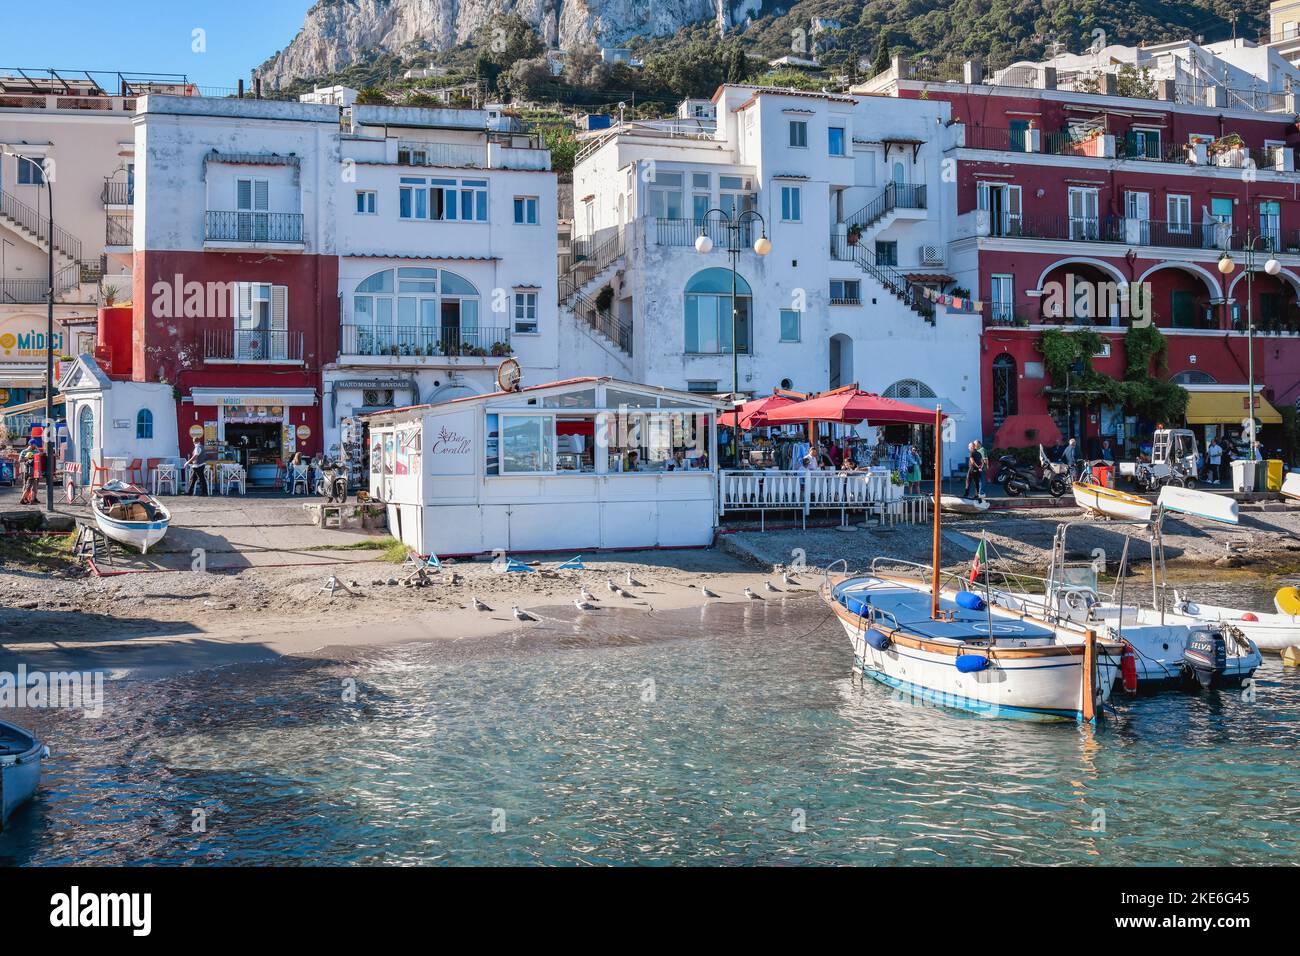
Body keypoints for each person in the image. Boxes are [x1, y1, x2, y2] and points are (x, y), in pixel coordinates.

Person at [17, 439, 39, 505]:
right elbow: (20, 460)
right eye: (35, 444)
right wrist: (27, 458)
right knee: (27, 485)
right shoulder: (24, 451)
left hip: (35, 471)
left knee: (35, 485)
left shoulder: (36, 451)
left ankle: (33, 498)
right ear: (31, 444)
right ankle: (25, 498)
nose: (36, 445)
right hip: (27, 471)